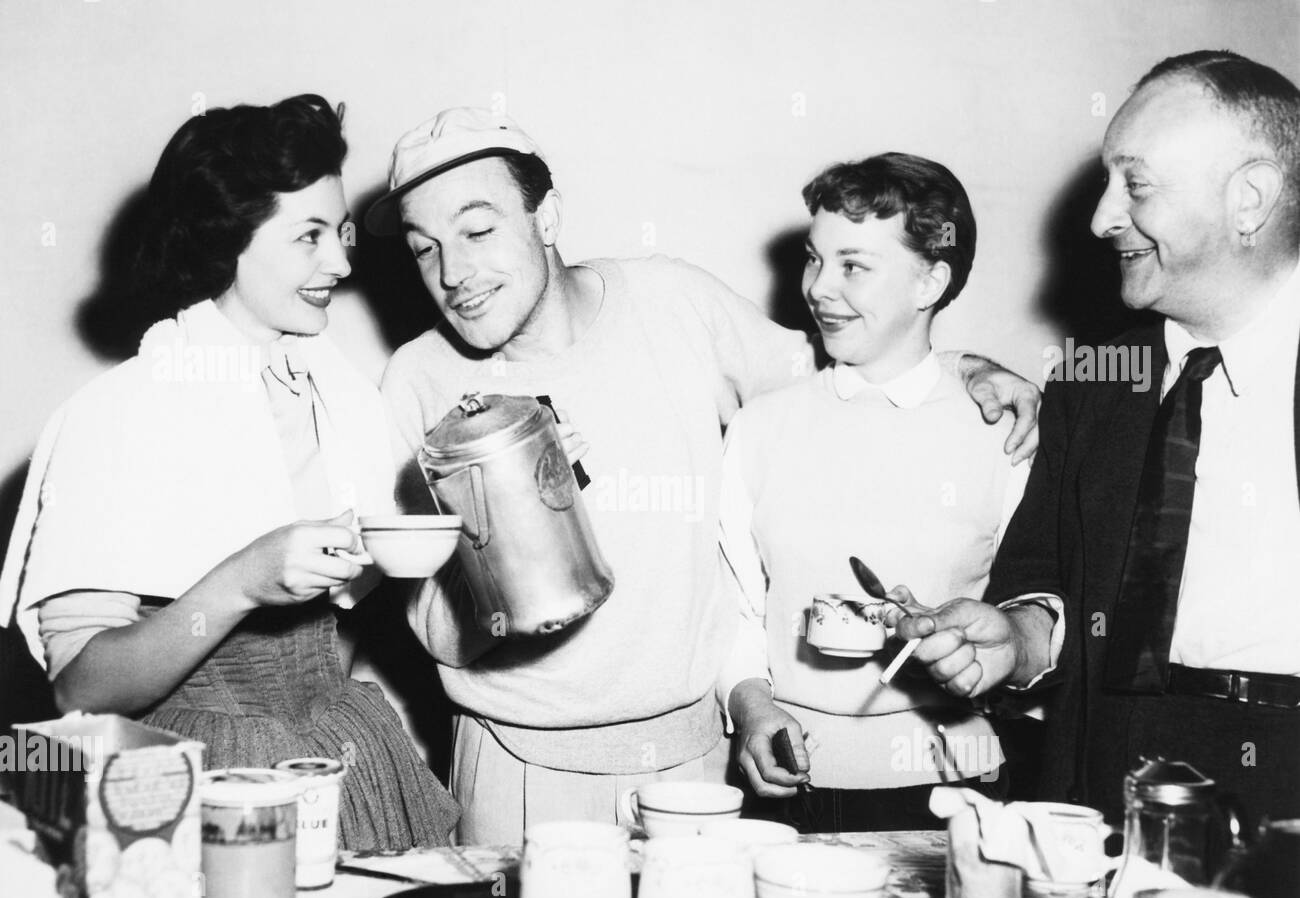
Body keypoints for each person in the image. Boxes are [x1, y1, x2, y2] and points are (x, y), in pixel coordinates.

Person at [366, 107, 1041, 845]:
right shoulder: (418, 379)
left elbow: (842, 364)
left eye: (476, 230)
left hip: (697, 762)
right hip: (516, 764)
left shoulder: (675, 303)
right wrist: (512, 537)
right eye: (423, 248)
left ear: (547, 217)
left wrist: (961, 369)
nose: (452, 274)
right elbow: (432, 623)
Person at [0, 95, 459, 851]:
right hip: (191, 782)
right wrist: (243, 582)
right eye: (307, 236)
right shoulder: (117, 415)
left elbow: (340, 632)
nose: (341, 263)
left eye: (338, 233)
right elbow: (77, 688)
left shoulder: (338, 394)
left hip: (340, 758)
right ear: (228, 239)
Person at [896, 51, 1300, 826]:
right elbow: (1048, 573)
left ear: (1249, 198)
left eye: (1136, 185)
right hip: (1110, 773)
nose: (1100, 218)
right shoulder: (1094, 379)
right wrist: (1017, 638)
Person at [721, 153, 1029, 831]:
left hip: (952, 791)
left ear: (931, 280)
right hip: (789, 781)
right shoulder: (759, 427)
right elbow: (739, 608)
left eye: (853, 265)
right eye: (813, 258)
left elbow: (1034, 614)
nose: (819, 288)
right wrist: (750, 706)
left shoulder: (1003, 434)